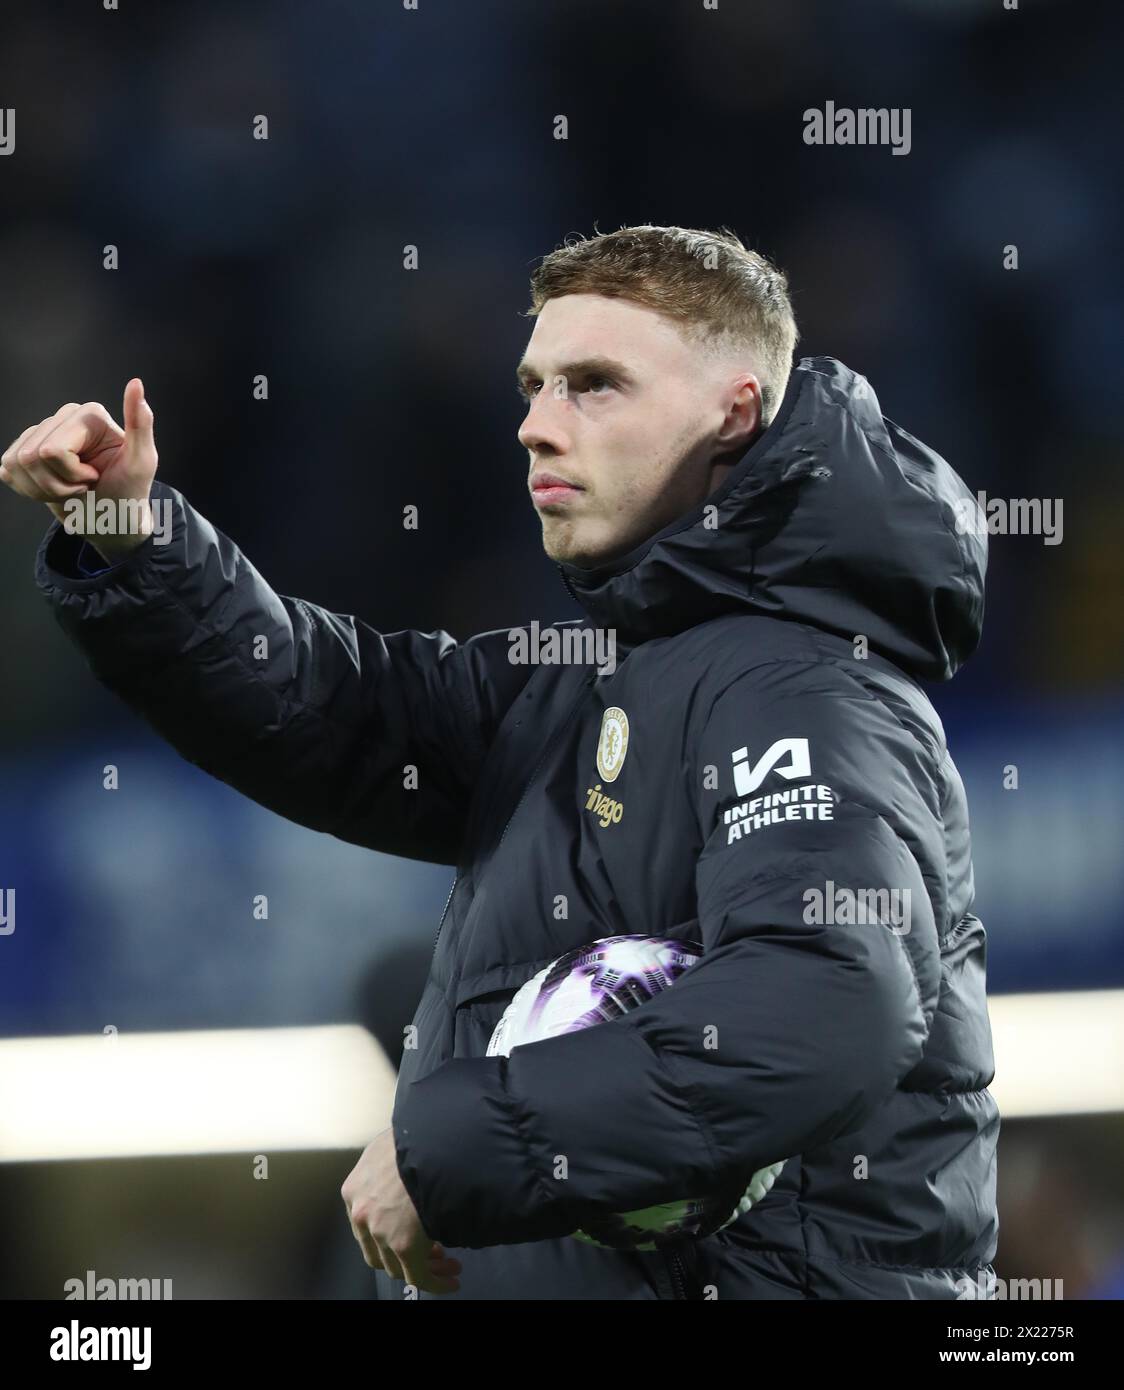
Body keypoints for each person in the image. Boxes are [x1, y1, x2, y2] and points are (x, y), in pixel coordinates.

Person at [2, 225, 998, 1300]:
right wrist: (136, 542)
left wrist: (454, 1143)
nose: (535, 425)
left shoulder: (797, 683)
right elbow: (333, 709)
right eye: (532, 386)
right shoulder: (605, 670)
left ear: (735, 411)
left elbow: (827, 996)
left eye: (594, 385)